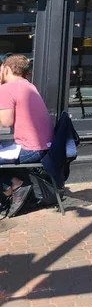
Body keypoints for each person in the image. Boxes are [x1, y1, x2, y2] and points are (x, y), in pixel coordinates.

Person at [0, 55, 54, 217]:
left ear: (7, 69)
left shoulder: (7, 89)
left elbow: (6, 122)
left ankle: (11, 188)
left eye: (1, 68)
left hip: (31, 149)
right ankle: (14, 185)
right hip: (43, 146)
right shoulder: (28, 86)